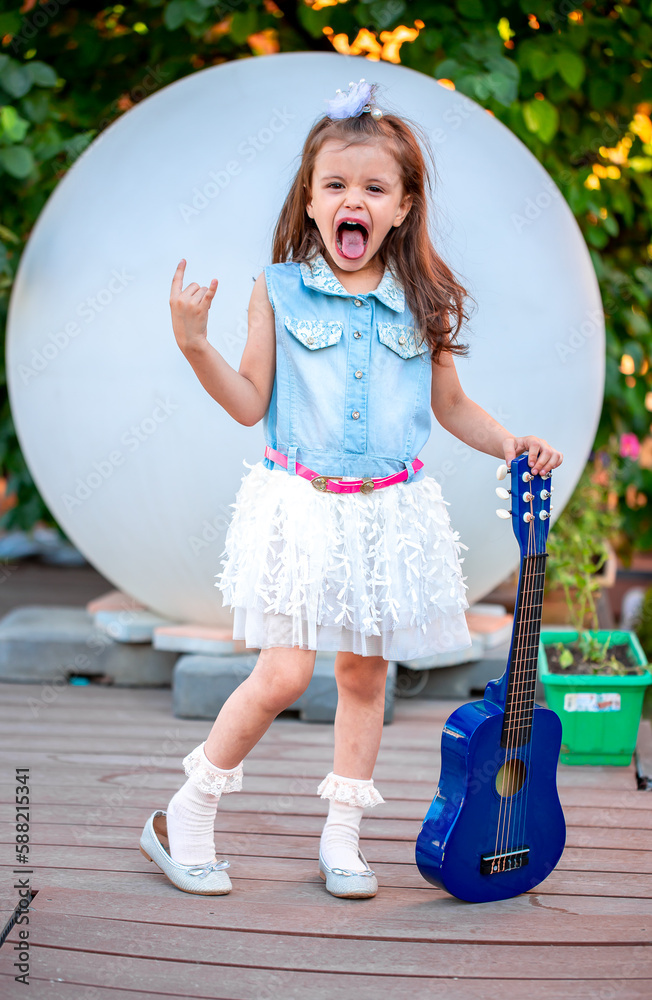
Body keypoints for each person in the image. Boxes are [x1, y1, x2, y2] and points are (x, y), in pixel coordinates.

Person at [139, 79, 563, 899]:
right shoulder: (280, 288)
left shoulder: (423, 301)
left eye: (374, 188)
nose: (352, 201)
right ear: (310, 197)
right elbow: (249, 403)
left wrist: (511, 442)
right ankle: (183, 816)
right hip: (302, 505)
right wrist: (194, 346)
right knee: (285, 675)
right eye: (336, 185)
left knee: (367, 676)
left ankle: (342, 839)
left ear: (403, 207)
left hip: (387, 510)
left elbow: (450, 407)